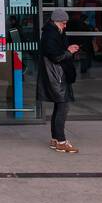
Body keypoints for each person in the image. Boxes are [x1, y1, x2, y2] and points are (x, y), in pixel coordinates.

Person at [38, 8, 80, 153]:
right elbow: (56, 56)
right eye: (63, 23)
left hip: (57, 75)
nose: (65, 25)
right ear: (56, 22)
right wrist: (69, 52)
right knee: (63, 107)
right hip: (57, 76)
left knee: (59, 107)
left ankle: (56, 139)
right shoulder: (51, 35)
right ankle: (61, 141)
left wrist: (68, 49)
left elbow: (57, 52)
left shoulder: (54, 32)